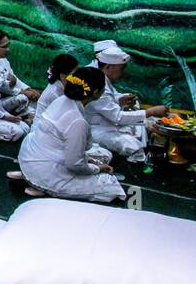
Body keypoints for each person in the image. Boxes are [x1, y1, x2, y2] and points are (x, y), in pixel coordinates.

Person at [18, 66, 126, 203]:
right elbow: (74, 165)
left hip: (29, 157)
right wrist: (96, 168)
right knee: (110, 186)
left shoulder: (61, 100)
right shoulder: (77, 121)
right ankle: (45, 188)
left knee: (105, 155)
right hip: (45, 171)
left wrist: (89, 160)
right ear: (96, 92)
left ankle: (35, 180)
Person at [86, 44, 167, 163]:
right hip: (98, 129)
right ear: (108, 67)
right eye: (122, 68)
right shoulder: (97, 81)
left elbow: (108, 103)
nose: (123, 72)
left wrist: (119, 100)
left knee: (142, 123)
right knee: (133, 146)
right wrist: (151, 112)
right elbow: (117, 116)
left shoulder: (103, 78)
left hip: (108, 123)